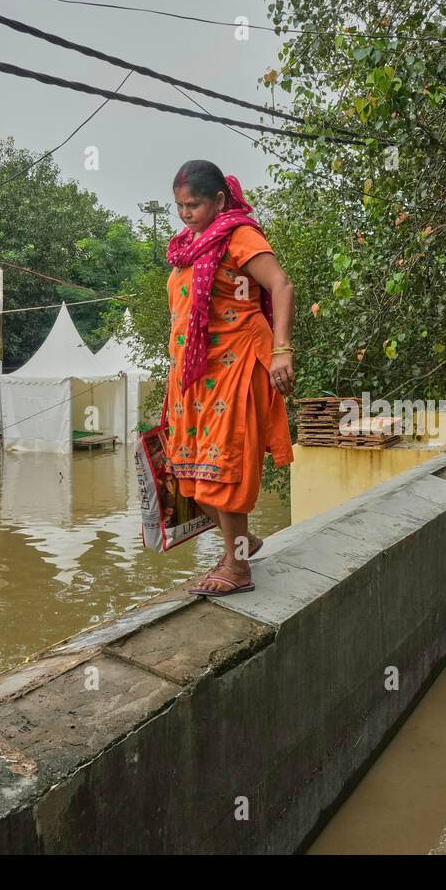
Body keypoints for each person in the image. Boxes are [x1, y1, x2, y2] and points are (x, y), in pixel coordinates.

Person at [164, 159, 295, 596]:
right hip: (193, 373)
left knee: (224, 469)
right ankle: (243, 544)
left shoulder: (240, 235)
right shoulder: (187, 245)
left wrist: (281, 352)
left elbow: (281, 285)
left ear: (219, 200)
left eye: (194, 204)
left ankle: (238, 567)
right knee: (190, 474)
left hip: (237, 363)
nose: (186, 214)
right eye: (180, 206)